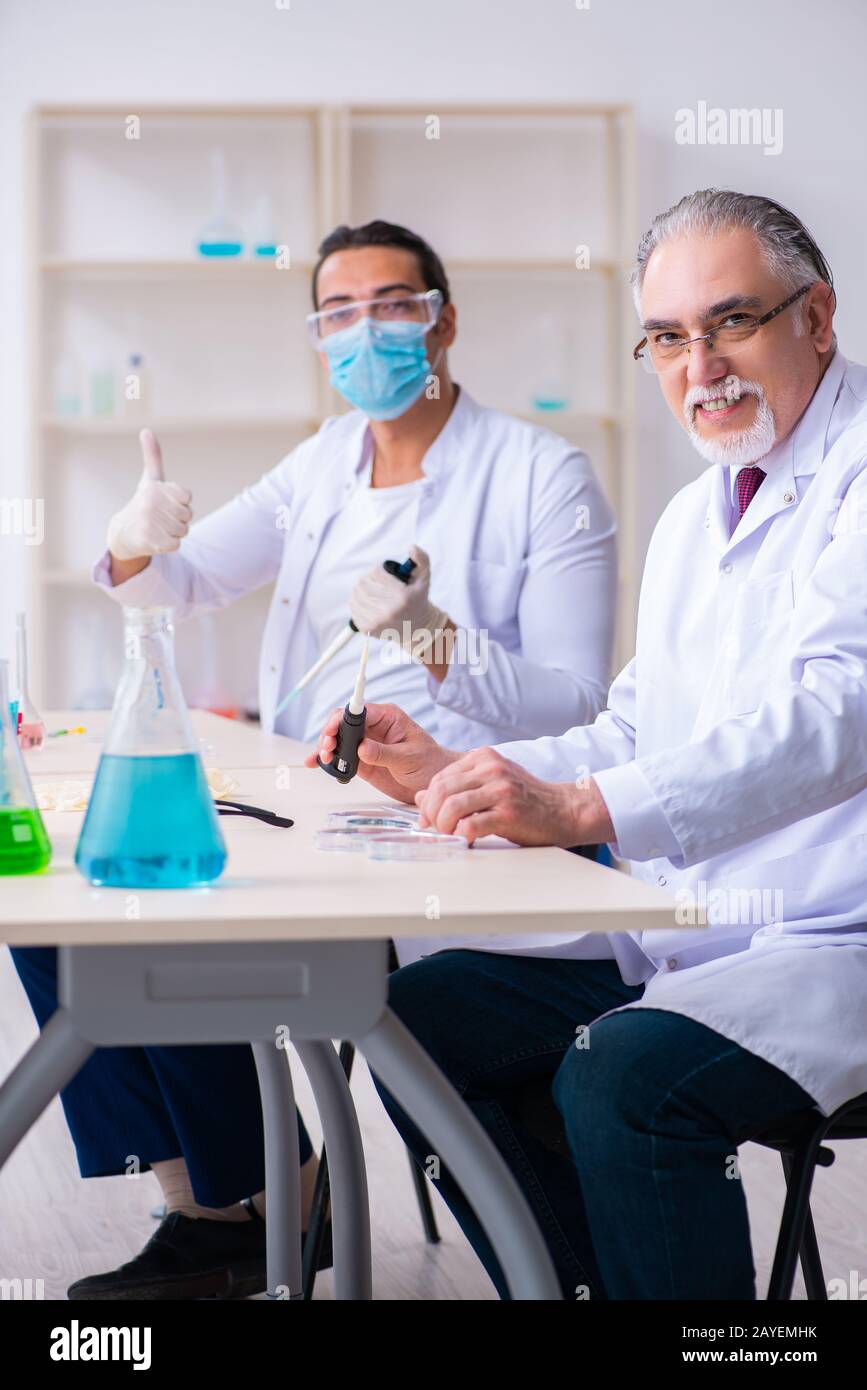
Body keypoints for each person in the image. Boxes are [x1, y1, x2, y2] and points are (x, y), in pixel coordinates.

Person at [10, 220, 616, 1299]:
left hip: (456, 826)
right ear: (316, 334)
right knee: (72, 910)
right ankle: (223, 1203)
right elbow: (177, 585)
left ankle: (268, 1196)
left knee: (170, 914)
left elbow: (577, 702)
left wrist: (430, 630)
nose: (365, 332)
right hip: (315, 798)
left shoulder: (542, 474)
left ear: (444, 319)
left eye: (392, 304)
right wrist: (139, 533)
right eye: (338, 313)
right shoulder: (320, 464)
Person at [308, 190, 867, 1299]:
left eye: (732, 322)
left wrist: (581, 811)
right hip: (689, 924)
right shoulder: (695, 515)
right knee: (419, 1018)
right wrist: (461, 775)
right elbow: (629, 724)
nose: (698, 365)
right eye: (668, 336)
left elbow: (837, 720)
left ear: (818, 317)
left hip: (832, 936)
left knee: (621, 1079)